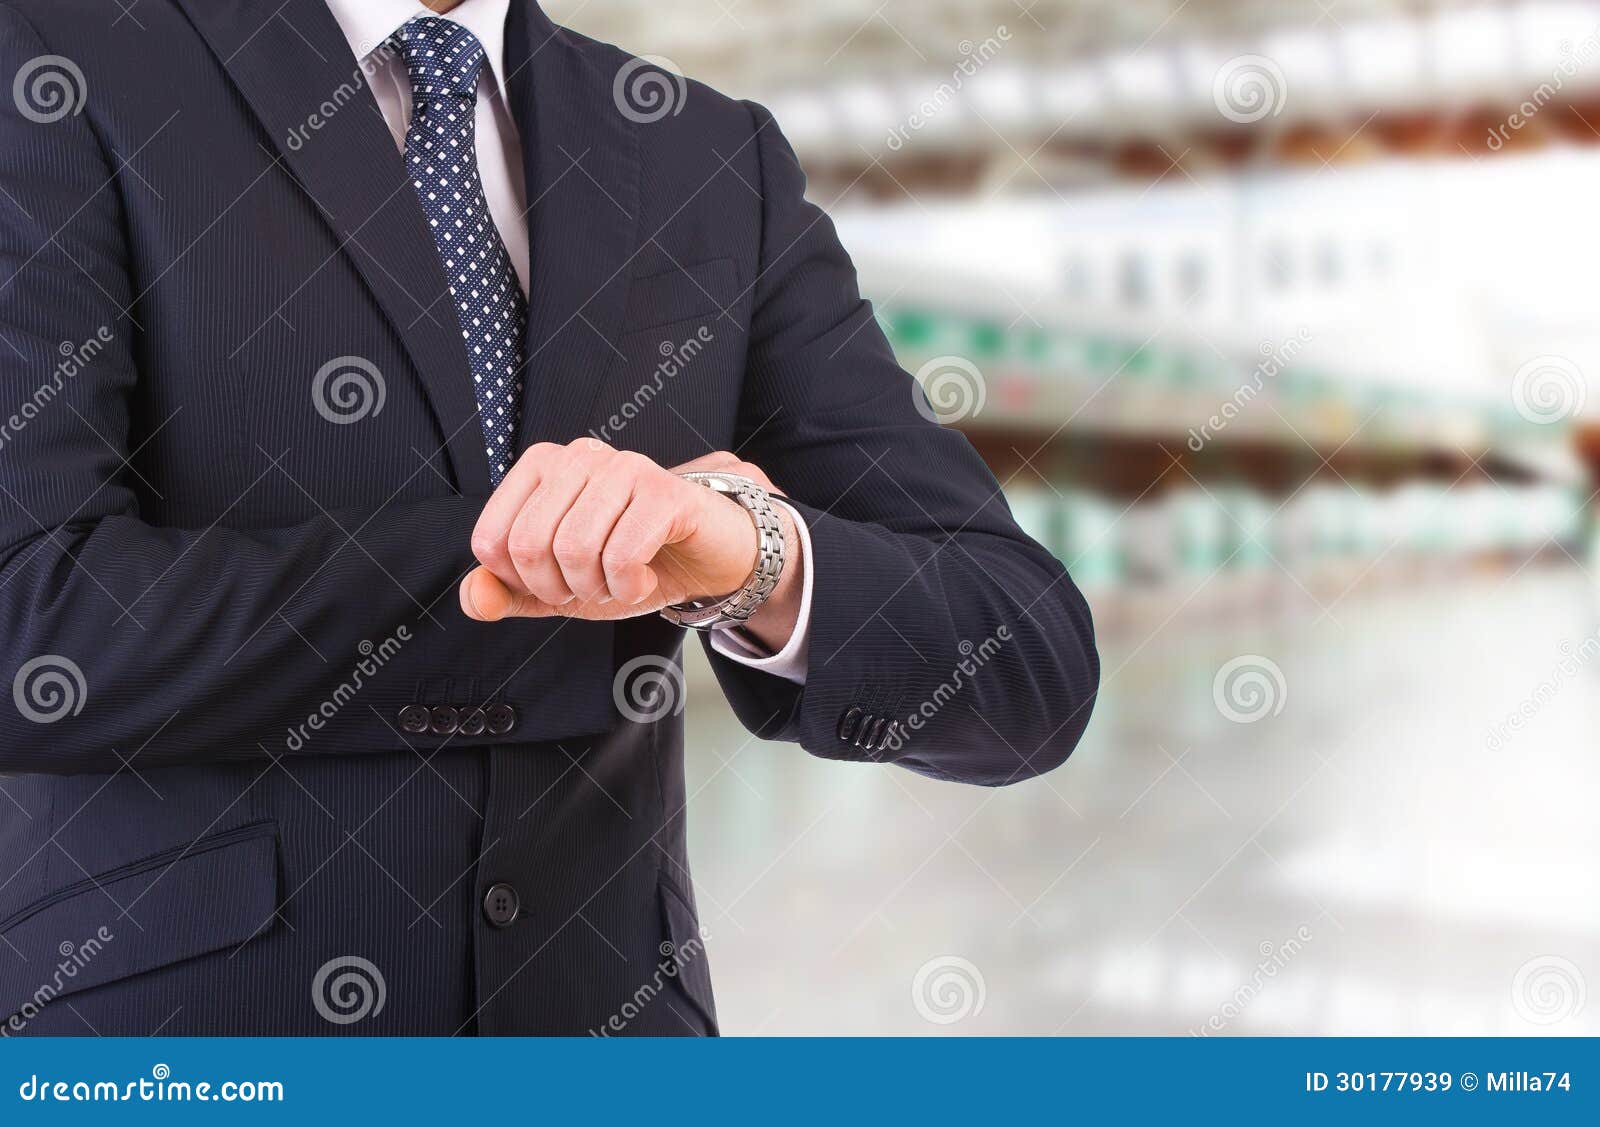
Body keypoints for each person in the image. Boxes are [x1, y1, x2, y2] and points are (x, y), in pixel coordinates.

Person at [0, 0, 1097, 1035]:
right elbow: (25, 618)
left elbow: (1024, 665)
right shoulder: (57, 60)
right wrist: (568, 556)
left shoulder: (708, 155)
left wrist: (748, 557)